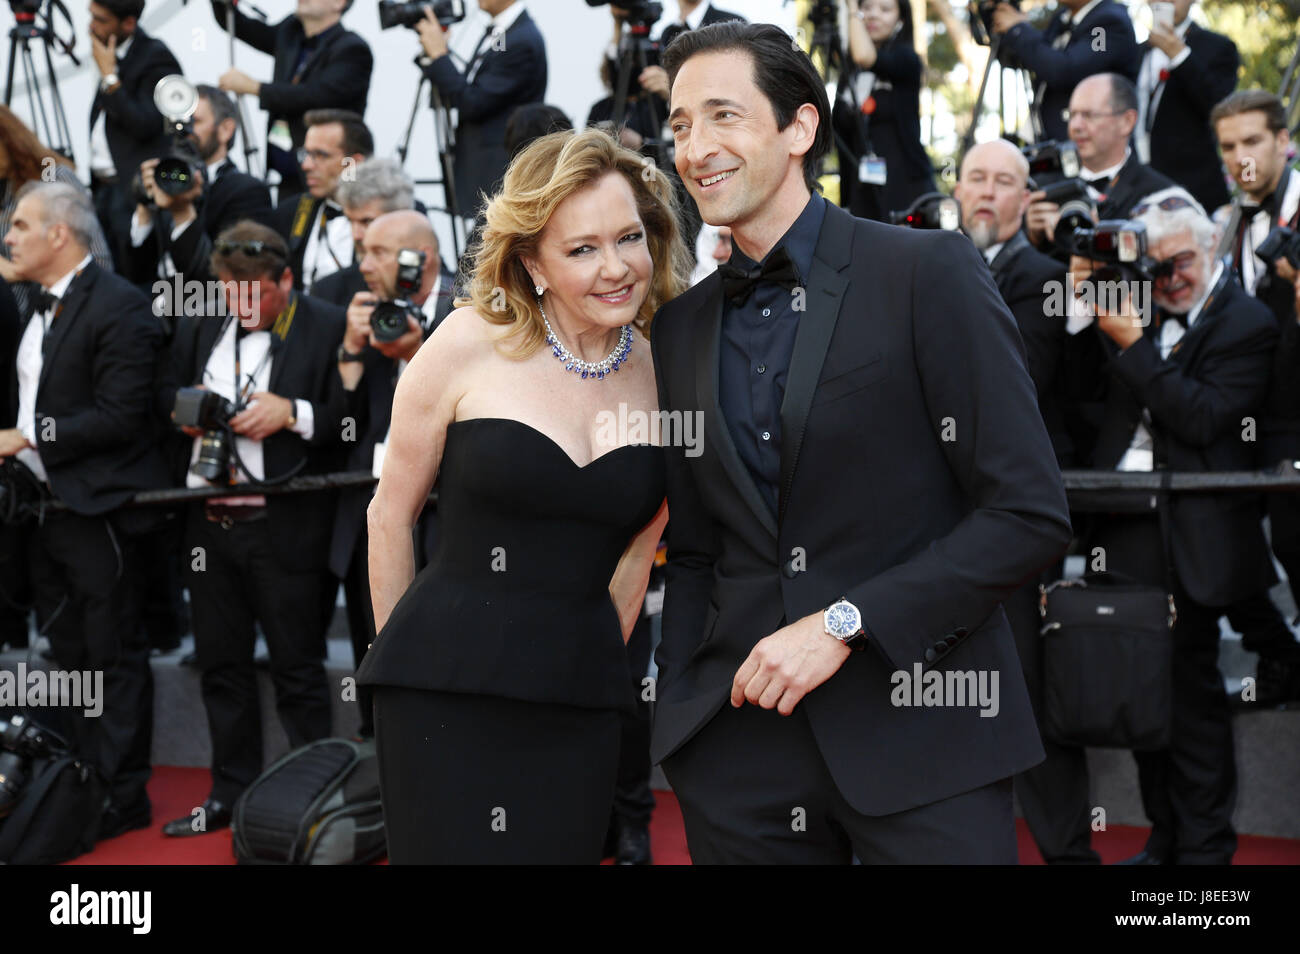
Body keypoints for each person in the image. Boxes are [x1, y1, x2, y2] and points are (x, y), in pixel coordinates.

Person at [654, 22, 1070, 864]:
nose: (696, 147)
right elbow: (695, 550)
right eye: (679, 125)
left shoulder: (928, 271)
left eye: (722, 116)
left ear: (800, 128)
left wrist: (844, 623)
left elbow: (1027, 514)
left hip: (925, 734)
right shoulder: (677, 328)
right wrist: (685, 719)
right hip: (739, 755)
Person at [357, 128, 688, 863]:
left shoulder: (667, 370)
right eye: (582, 249)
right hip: (439, 686)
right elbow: (390, 513)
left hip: (579, 694)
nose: (616, 268)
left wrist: (597, 651)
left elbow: (640, 546)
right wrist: (393, 659)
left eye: (628, 237)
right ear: (532, 261)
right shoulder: (469, 340)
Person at [1064, 186, 1277, 864]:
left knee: (1193, 708)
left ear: (1211, 246)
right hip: (1123, 530)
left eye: (1180, 261)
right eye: (1154, 267)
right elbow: (1078, 400)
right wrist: (1086, 309)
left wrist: (1135, 344)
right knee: (1140, 697)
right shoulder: (1137, 311)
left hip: (1193, 541)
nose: (1168, 278)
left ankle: (1206, 852)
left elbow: (1205, 418)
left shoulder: (1247, 324)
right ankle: (1163, 839)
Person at [160, 221, 348, 837]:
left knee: (297, 668)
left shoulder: (322, 322)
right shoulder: (201, 322)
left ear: (286, 280)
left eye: (255, 294)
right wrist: (185, 412)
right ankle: (227, 792)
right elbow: (165, 392)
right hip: (209, 522)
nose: (241, 306)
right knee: (221, 666)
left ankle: (313, 794)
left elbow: (356, 420)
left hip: (283, 524)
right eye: (228, 292)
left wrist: (292, 413)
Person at [1, 181, 171, 840]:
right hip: (45, 512)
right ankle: (76, 779)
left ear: (59, 234)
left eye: (19, 225)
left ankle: (122, 795)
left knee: (113, 657)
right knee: (67, 657)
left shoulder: (120, 306)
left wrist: (30, 436)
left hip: (103, 515)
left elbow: (124, 416)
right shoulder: (32, 308)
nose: (8, 237)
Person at [330, 210, 455, 737]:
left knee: (447, 658)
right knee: (377, 655)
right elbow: (338, 430)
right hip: (380, 515)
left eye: (377, 253)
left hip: (453, 518)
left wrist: (417, 353)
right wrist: (351, 352)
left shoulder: (473, 308)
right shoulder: (366, 315)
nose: (364, 265)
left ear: (418, 257)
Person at [1212, 90, 1300, 705]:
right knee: (1217, 547)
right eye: (1228, 146)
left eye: (1252, 142)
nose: (1240, 157)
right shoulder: (1233, 222)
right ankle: (1282, 658)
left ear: (1283, 141)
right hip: (1249, 417)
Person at [211, 0, 373, 196]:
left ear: (339, 3)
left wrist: (256, 88)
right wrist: (221, 4)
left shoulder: (352, 50)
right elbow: (243, 27)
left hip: (331, 176)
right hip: (289, 173)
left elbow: (317, 96)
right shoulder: (291, 32)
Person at [121, 85, 274, 289]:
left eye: (194, 121)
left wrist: (182, 212)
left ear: (226, 129)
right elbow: (134, 276)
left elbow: (223, 281)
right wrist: (144, 209)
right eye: (180, 121)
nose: (185, 131)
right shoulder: (164, 182)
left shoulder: (246, 191)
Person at [415, 0, 547, 224]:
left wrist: (439, 57)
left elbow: (474, 101)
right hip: (482, 165)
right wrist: (436, 56)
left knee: (488, 243)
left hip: (499, 170)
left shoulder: (520, 40)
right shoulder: (505, 32)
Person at [1026, 73, 1175, 253]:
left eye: (1089, 115)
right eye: (1071, 115)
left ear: (1127, 122)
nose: (1075, 126)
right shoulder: (1042, 188)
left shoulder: (1158, 194)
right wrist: (1031, 237)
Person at [85, 0, 181, 264]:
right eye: (91, 16)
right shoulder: (110, 52)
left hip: (130, 193)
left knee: (131, 273)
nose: (91, 26)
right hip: (101, 188)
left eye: (101, 20)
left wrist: (110, 79)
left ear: (128, 22)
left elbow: (146, 124)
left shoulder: (156, 57)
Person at [0, 106, 113, 316]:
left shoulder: (53, 177)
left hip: (68, 313)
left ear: (9, 141)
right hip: (22, 321)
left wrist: (19, 272)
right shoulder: (5, 191)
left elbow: (98, 259)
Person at [835, 0, 935, 221]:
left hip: (906, 189)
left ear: (901, 19)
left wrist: (852, 9)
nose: (872, 16)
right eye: (866, 7)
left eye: (885, 9)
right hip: (862, 192)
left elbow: (866, 57)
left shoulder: (907, 60)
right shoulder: (849, 74)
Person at [1136, 0, 1238, 214]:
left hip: (1195, 191)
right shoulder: (1134, 52)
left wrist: (1179, 55)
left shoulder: (1218, 47)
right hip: (1139, 185)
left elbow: (1220, 109)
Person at [992, 0, 1139, 143]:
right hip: (1053, 144)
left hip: (1095, 147)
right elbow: (1032, 58)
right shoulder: (1061, 19)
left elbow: (1065, 70)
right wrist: (997, 18)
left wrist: (1019, 29)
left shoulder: (1108, 22)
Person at [271, 109, 373, 293]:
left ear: (353, 163)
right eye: (306, 154)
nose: (306, 165)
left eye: (321, 155)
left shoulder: (395, 215)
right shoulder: (290, 212)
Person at [311, 158, 418, 307]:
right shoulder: (328, 291)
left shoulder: (441, 288)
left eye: (367, 222)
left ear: (401, 218)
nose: (356, 235)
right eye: (350, 221)